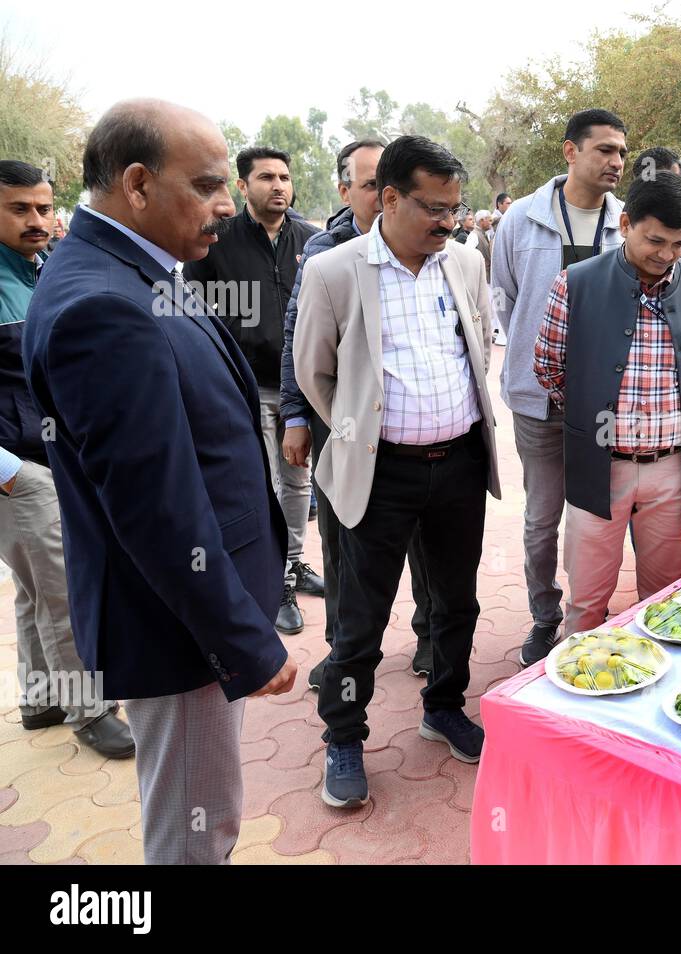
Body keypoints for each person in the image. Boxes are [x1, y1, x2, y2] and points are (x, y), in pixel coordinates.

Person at [24, 99, 297, 863]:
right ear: (137, 184)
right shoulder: (103, 306)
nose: (225, 204)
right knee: (194, 830)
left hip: (194, 614)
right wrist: (245, 643)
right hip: (180, 630)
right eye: (208, 184)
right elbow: (157, 511)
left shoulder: (132, 267)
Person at [294, 136, 501, 806]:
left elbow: (479, 349)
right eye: (434, 209)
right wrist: (362, 435)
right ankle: (345, 738)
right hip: (379, 475)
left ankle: (443, 707)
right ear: (387, 198)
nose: (449, 222)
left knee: (456, 602)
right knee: (360, 616)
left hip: (460, 466)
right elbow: (314, 372)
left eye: (455, 209)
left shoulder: (464, 265)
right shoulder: (334, 270)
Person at [535, 172, 681, 633]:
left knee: (666, 600)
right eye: (655, 241)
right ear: (625, 224)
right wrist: (595, 415)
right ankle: (580, 691)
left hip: (674, 469)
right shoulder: (576, 284)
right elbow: (548, 365)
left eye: (679, 244)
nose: (666, 256)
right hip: (598, 465)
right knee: (586, 601)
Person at [280, 139, 438, 690]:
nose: (379, 194)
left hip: (417, 440)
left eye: (385, 183)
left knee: (426, 544)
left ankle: (429, 638)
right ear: (346, 191)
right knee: (344, 545)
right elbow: (300, 346)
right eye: (367, 184)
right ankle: (345, 652)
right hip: (344, 429)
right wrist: (301, 417)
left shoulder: (434, 252)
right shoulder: (327, 255)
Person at [0, 160, 133, 757]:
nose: (37, 220)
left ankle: (40, 699)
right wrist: (9, 475)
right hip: (18, 472)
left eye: (44, 208)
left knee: (36, 588)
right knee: (64, 591)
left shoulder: (41, 270)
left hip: (53, 459)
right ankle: (92, 710)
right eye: (19, 209)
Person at [491, 108, 627, 666]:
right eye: (605, 150)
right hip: (537, 398)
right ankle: (544, 617)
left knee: (600, 515)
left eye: (621, 152)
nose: (617, 162)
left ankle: (587, 614)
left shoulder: (627, 222)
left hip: (611, 402)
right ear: (570, 152)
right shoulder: (520, 219)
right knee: (543, 516)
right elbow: (504, 297)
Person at [183, 146, 323, 636]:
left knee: (299, 484)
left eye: (285, 176)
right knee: (262, 482)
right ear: (242, 186)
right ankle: (273, 582)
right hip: (245, 388)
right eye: (266, 177)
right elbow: (195, 315)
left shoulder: (312, 239)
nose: (278, 185)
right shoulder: (215, 241)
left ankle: (294, 565)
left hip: (303, 391)